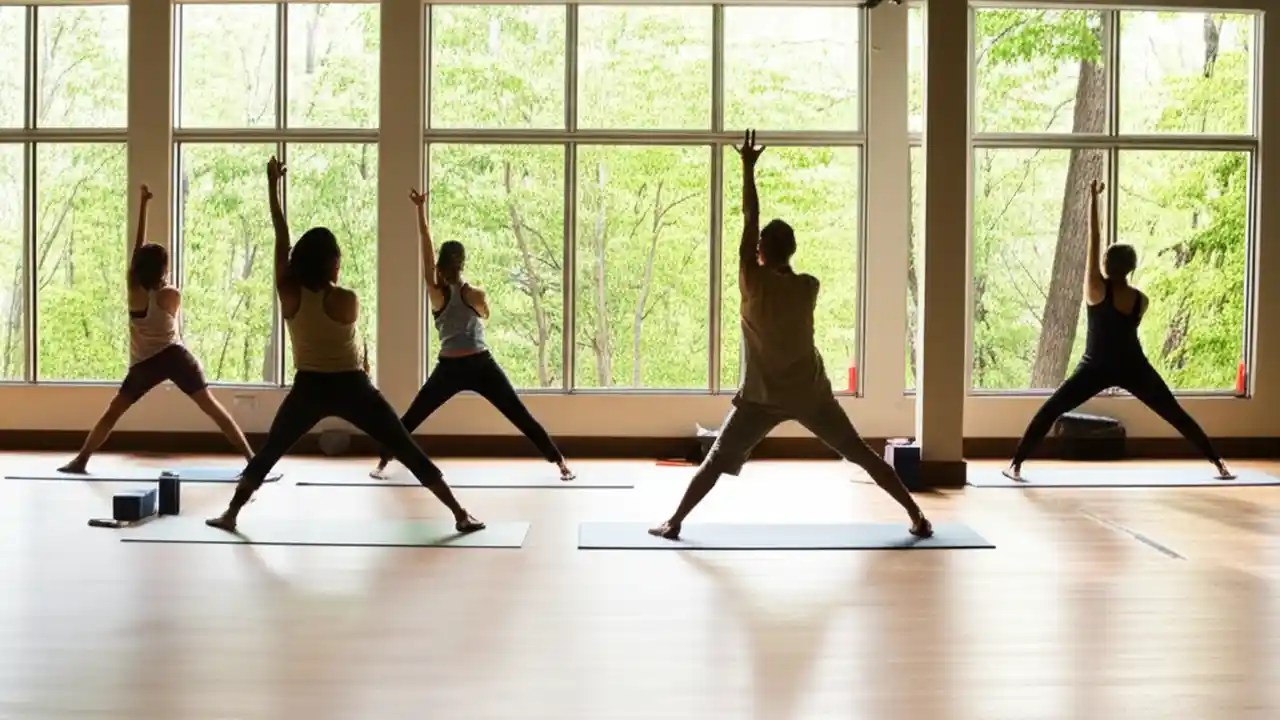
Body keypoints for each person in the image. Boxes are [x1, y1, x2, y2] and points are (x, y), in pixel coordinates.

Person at [649, 130, 932, 540]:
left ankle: (674, 522)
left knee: (714, 461)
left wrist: (748, 168)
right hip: (808, 394)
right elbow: (757, 230)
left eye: (760, 244)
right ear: (792, 250)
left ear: (761, 251)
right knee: (861, 455)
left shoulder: (753, 281)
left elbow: (750, 219)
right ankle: (918, 517)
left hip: (762, 398)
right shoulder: (808, 287)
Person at [206, 157, 484, 532]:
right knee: (404, 445)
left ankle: (231, 514)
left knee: (271, 450)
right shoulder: (347, 299)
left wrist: (272, 187)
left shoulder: (288, 293)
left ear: (299, 263)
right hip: (352, 385)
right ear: (333, 263)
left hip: (310, 386)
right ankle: (459, 514)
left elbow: (280, 235)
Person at [1004, 179, 1233, 481]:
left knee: (1051, 409)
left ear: (1105, 265)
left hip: (1095, 368)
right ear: (1131, 268)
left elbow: (1093, 240)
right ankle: (1219, 464)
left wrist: (1092, 200)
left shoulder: (1095, 289)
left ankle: (1016, 465)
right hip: (1133, 366)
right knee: (1173, 412)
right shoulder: (1141, 300)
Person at [369, 188, 574, 482]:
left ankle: (382, 462)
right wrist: (421, 214)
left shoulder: (436, 292)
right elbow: (485, 313)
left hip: (462, 366)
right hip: (474, 364)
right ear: (462, 263)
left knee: (414, 417)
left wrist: (420, 210)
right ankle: (560, 464)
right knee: (518, 414)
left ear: (442, 264)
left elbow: (425, 251)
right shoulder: (474, 293)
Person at [58, 185, 254, 475]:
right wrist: (145, 205)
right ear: (162, 269)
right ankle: (252, 460)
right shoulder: (170, 294)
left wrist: (143, 206)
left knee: (113, 412)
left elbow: (136, 255)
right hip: (174, 356)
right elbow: (147, 270)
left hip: (145, 363)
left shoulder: (134, 291)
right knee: (212, 408)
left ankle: (81, 459)